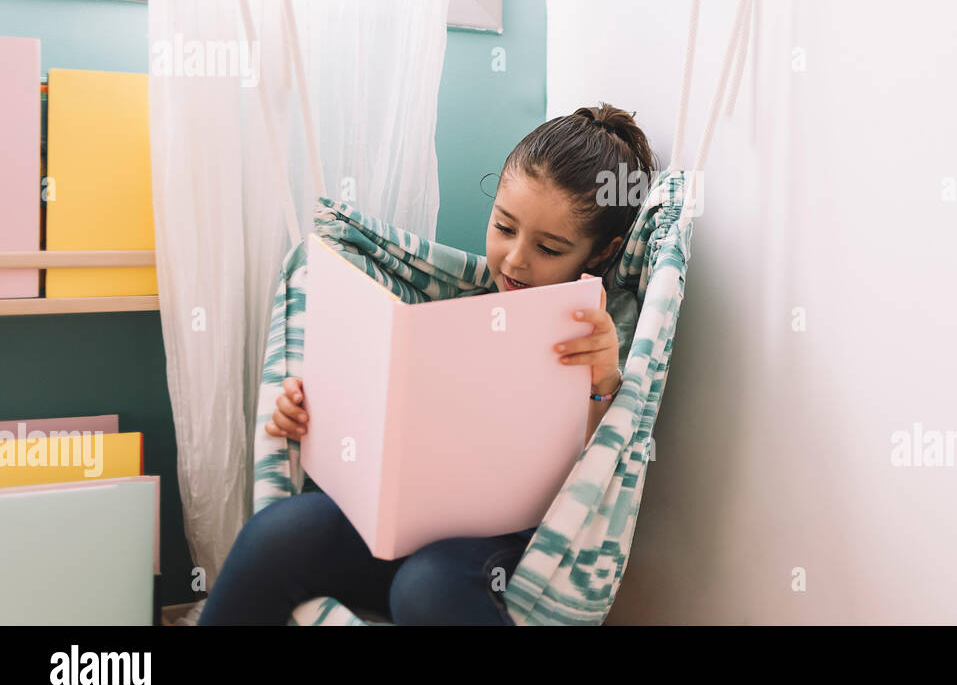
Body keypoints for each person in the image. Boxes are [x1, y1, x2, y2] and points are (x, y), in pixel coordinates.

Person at [198, 104, 655, 625]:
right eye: (504, 226)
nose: (514, 260)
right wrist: (308, 414)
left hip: (508, 542)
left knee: (428, 586)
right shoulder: (466, 300)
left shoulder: (600, 326)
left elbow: (608, 473)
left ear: (602, 252)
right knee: (278, 532)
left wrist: (602, 384)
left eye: (549, 248)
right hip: (409, 519)